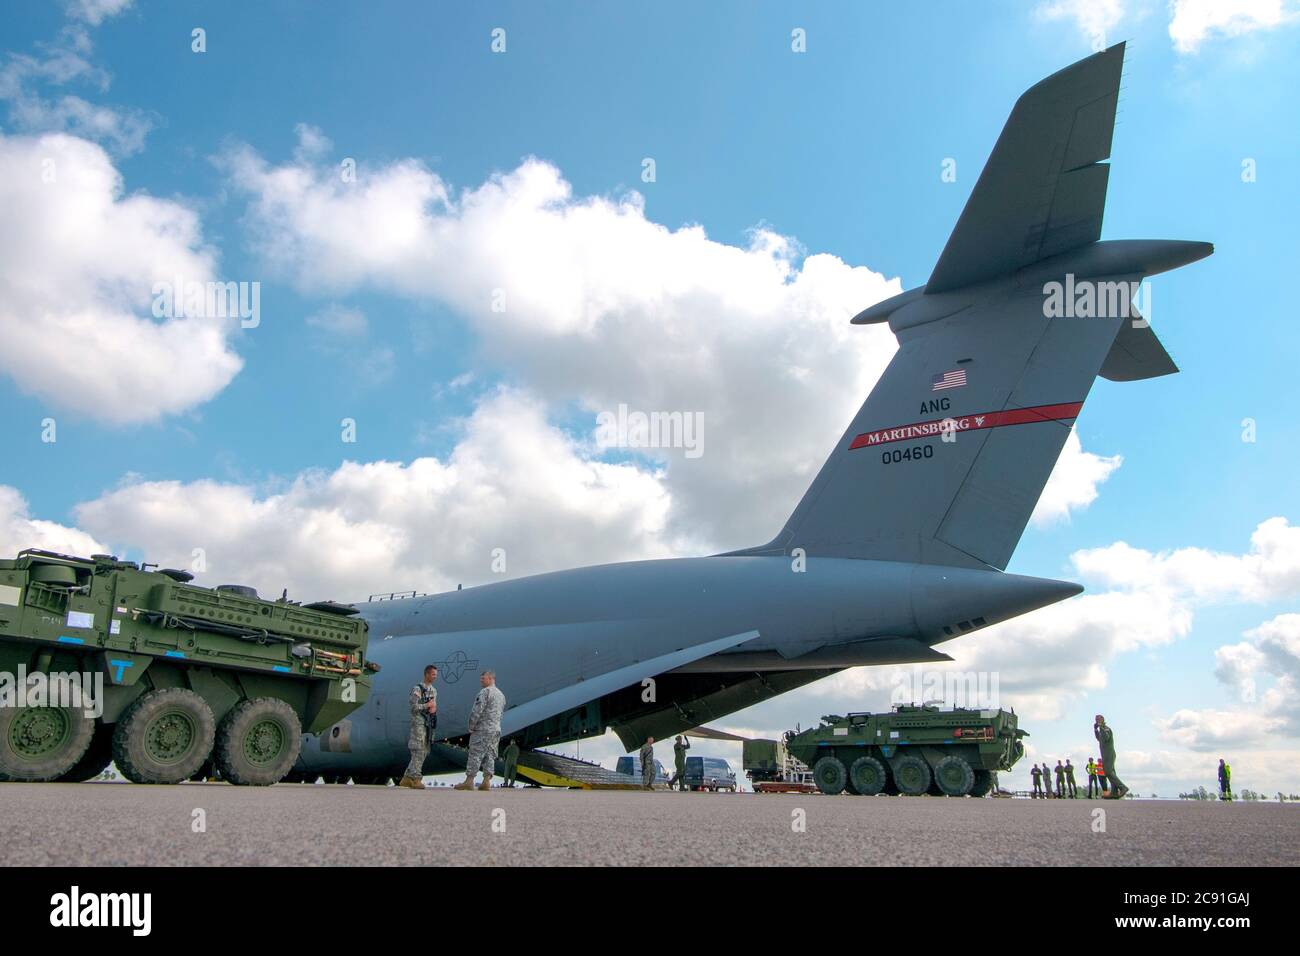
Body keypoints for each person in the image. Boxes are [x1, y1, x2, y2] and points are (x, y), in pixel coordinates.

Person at [454, 670, 506, 791]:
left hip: (482, 729)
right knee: (490, 754)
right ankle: (486, 781)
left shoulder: (485, 692)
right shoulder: (501, 695)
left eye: (483, 678)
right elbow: (501, 713)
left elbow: (477, 711)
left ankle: (469, 781)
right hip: (495, 729)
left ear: (491, 679)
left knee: (475, 753)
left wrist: (471, 726)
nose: (481, 681)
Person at [399, 665, 438, 789]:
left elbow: (433, 706)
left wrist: (432, 709)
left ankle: (406, 778)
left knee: (425, 750)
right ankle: (416, 778)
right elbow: (414, 707)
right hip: (418, 722)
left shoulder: (433, 690)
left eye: (436, 675)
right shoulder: (417, 689)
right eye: (433, 674)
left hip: (428, 723)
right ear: (426, 674)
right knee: (418, 749)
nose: (435, 677)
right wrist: (427, 705)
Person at [1094, 714, 1128, 799]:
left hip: (1109, 754)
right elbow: (1099, 739)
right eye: (1096, 719)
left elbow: (1106, 737)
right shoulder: (1102, 730)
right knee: (1111, 772)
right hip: (1105, 754)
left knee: (1108, 771)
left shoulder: (1106, 729)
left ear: (1102, 720)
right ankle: (1114, 792)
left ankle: (1122, 787)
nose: (1097, 721)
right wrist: (1095, 730)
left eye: (1098, 719)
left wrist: (1101, 727)